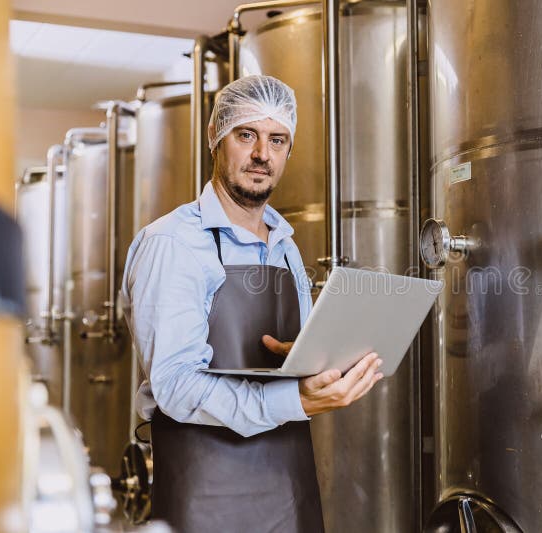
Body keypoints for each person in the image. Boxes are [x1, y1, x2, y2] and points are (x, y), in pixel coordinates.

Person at [121, 74, 383, 533]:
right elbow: (177, 386)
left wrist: (323, 363)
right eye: (247, 135)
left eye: (277, 140)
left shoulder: (286, 246)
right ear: (216, 138)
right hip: (204, 491)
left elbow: (291, 362)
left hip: (290, 483)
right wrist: (294, 398)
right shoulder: (173, 243)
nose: (263, 153)